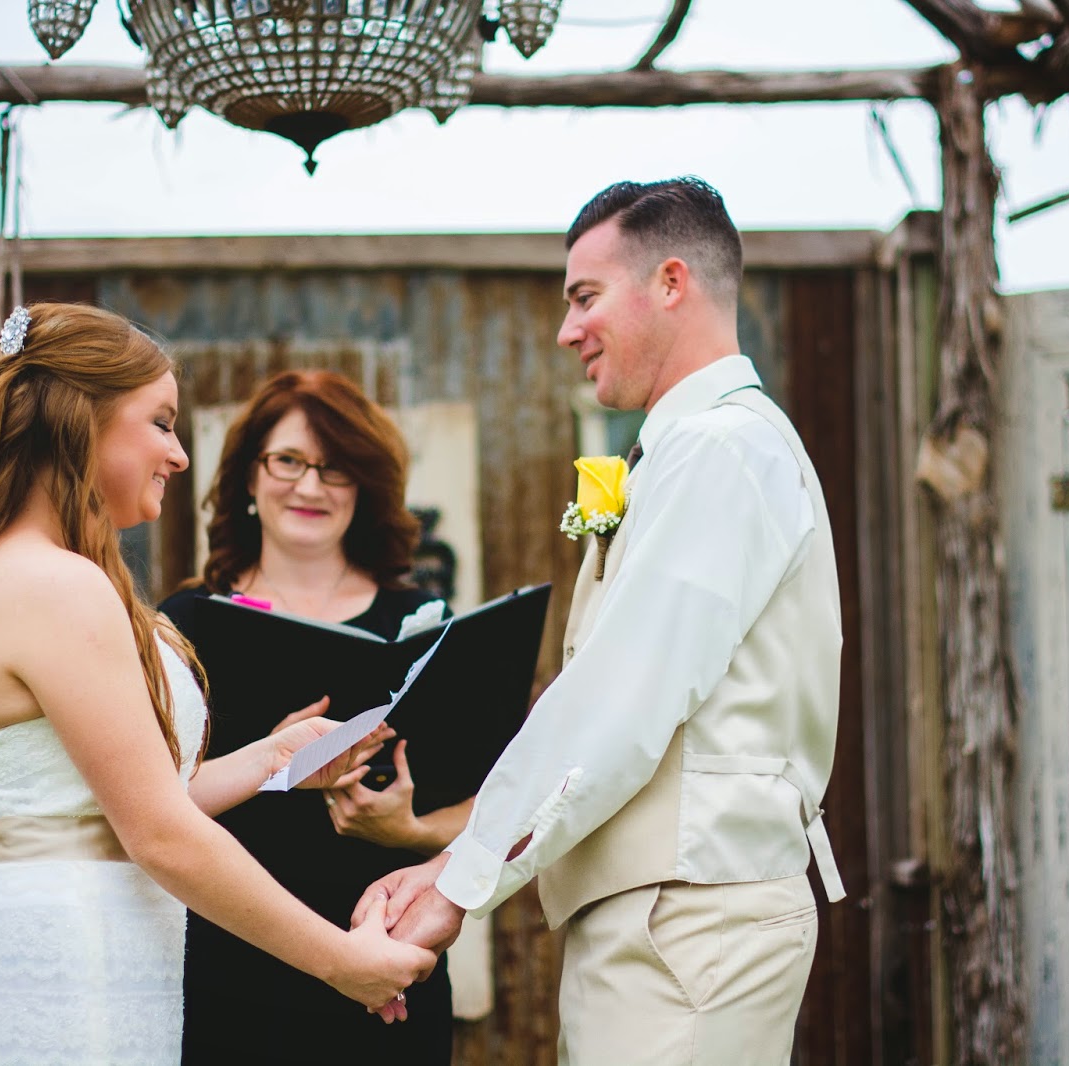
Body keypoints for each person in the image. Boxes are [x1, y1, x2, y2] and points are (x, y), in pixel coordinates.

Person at [358, 178, 849, 1065]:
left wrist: (457, 890)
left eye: (585, 297)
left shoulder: (720, 450)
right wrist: (446, 865)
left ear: (670, 282)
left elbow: (620, 703)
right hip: (667, 912)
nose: (565, 330)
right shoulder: (696, 449)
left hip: (691, 920)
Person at [0, 303, 435, 1066]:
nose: (178, 455)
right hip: (70, 973)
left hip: (81, 948)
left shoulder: (16, 573)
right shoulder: (57, 586)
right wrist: (341, 963)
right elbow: (161, 835)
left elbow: (118, 806)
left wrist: (274, 757)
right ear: (83, 421)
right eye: (161, 422)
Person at [159, 369, 471, 1064]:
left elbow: (492, 804)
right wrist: (267, 761)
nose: (309, 486)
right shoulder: (185, 627)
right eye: (288, 461)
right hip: (226, 966)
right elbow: (146, 801)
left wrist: (412, 828)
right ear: (247, 476)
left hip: (384, 969)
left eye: (335, 469)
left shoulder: (426, 627)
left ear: (365, 486)